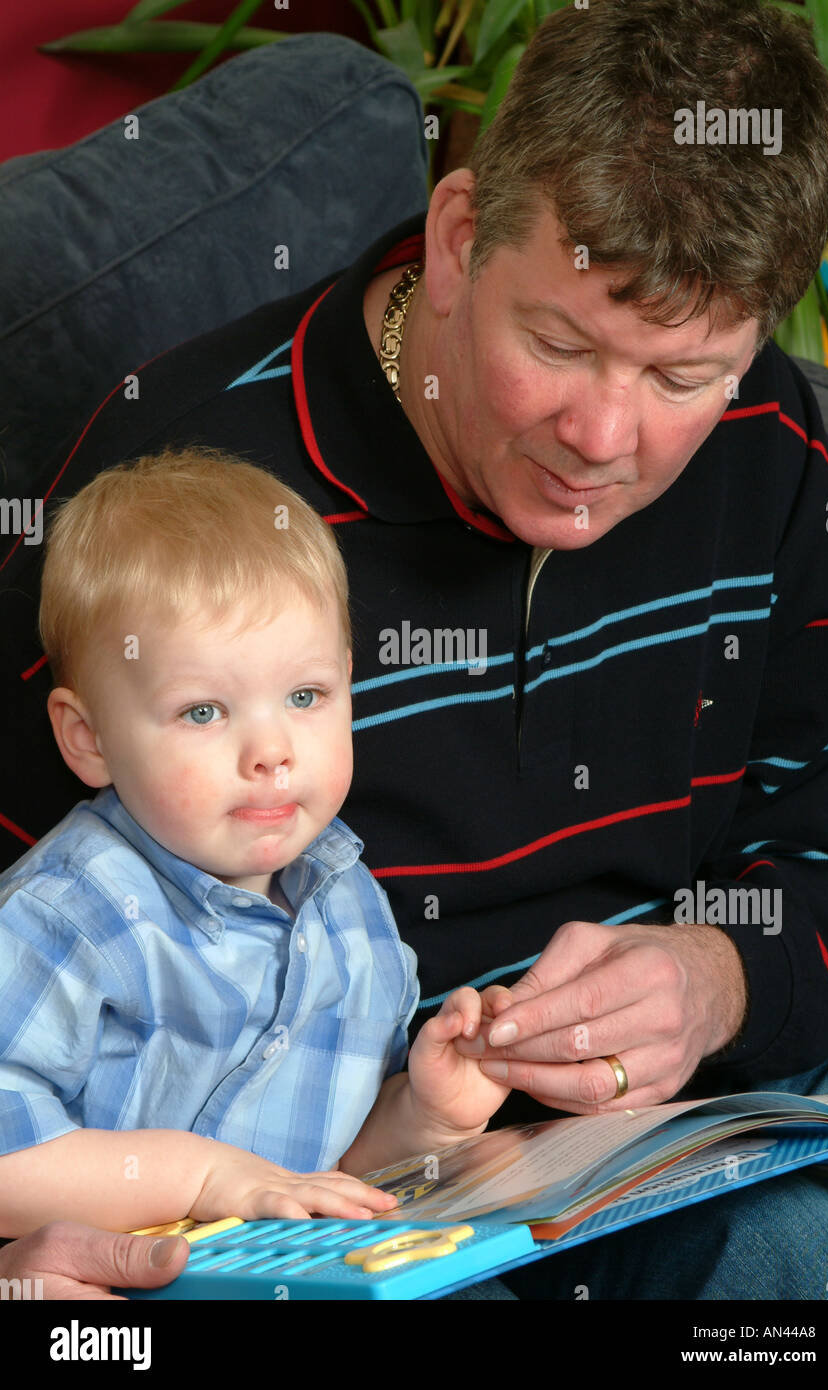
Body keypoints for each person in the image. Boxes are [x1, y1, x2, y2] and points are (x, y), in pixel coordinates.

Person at [1, 0, 828, 1297]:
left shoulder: (773, 453)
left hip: (667, 1144)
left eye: (682, 376)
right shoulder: (179, 504)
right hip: (346, 1220)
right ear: (459, 238)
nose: (601, 434)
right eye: (556, 344)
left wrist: (724, 975)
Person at [0, 449, 511, 1239]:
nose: (271, 751)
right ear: (89, 737)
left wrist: (424, 1118)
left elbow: (317, 1181)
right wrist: (201, 1177)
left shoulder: (350, 908)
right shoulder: (69, 917)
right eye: (204, 712)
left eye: (305, 696)